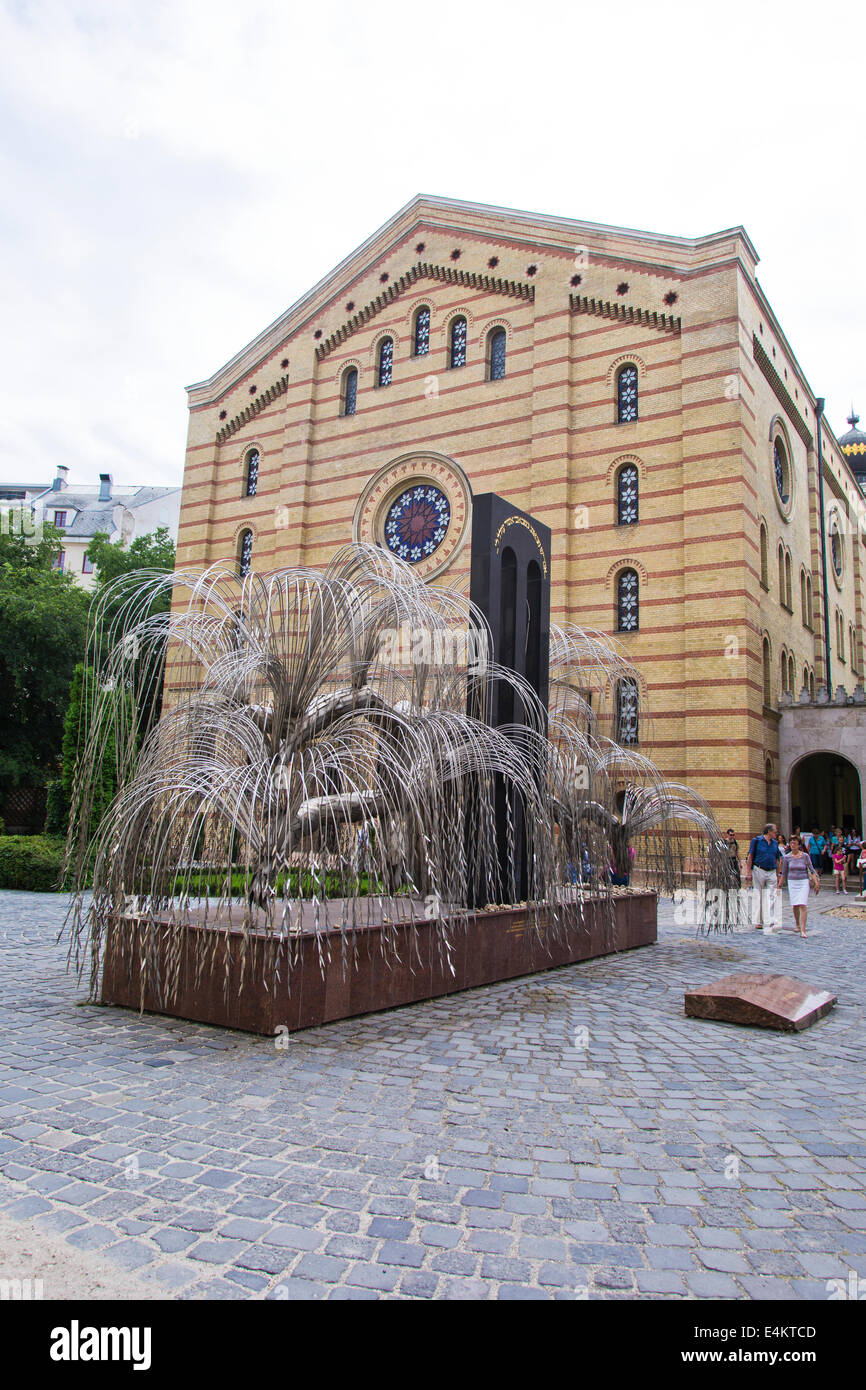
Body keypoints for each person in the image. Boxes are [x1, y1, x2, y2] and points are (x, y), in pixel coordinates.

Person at [778, 833, 820, 938]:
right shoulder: (787, 857)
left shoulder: (805, 856)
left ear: (799, 845)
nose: (793, 845)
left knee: (803, 904)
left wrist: (816, 883)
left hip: (803, 881)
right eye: (791, 843)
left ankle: (803, 929)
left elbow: (812, 870)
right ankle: (797, 923)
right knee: (795, 904)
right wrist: (779, 885)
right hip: (792, 882)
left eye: (795, 843)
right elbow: (784, 873)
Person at [744, 823, 782, 930]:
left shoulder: (775, 843)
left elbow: (778, 858)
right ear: (769, 831)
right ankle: (758, 921)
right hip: (759, 869)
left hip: (772, 871)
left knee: (773, 895)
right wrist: (748, 872)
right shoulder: (756, 841)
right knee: (758, 895)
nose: (776, 833)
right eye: (775, 831)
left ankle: (771, 919)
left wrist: (779, 874)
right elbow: (750, 856)